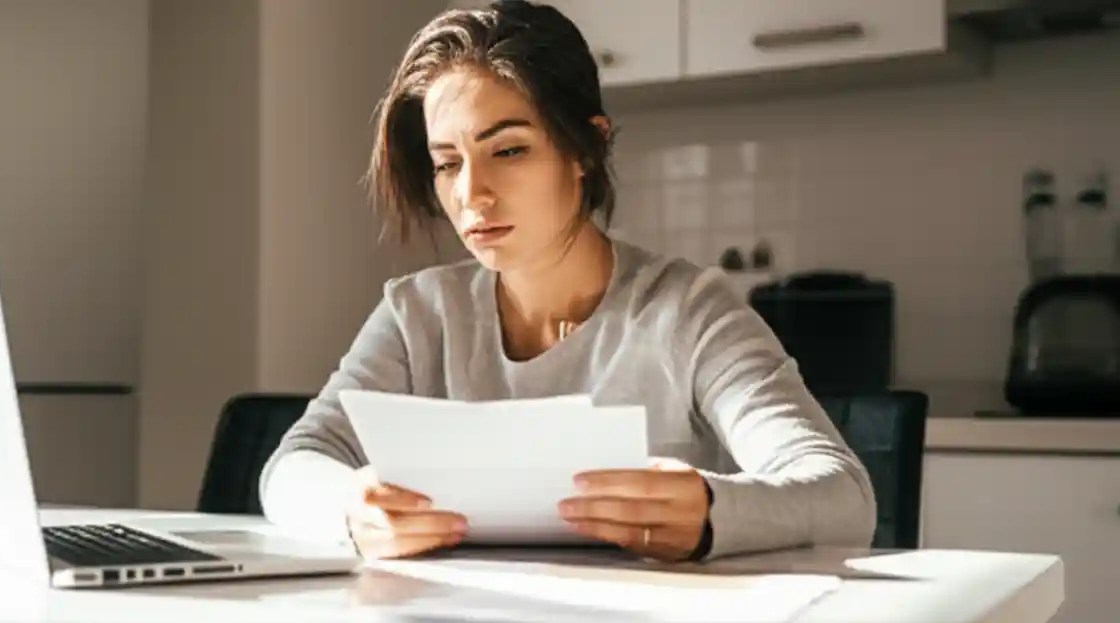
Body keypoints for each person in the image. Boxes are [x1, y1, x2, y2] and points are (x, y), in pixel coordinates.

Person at [259, 0, 875, 562]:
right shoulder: (416, 314)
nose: (471, 194)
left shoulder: (687, 310)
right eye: (448, 163)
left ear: (585, 147)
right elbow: (291, 465)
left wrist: (712, 511)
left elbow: (844, 495)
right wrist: (351, 507)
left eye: (508, 151)